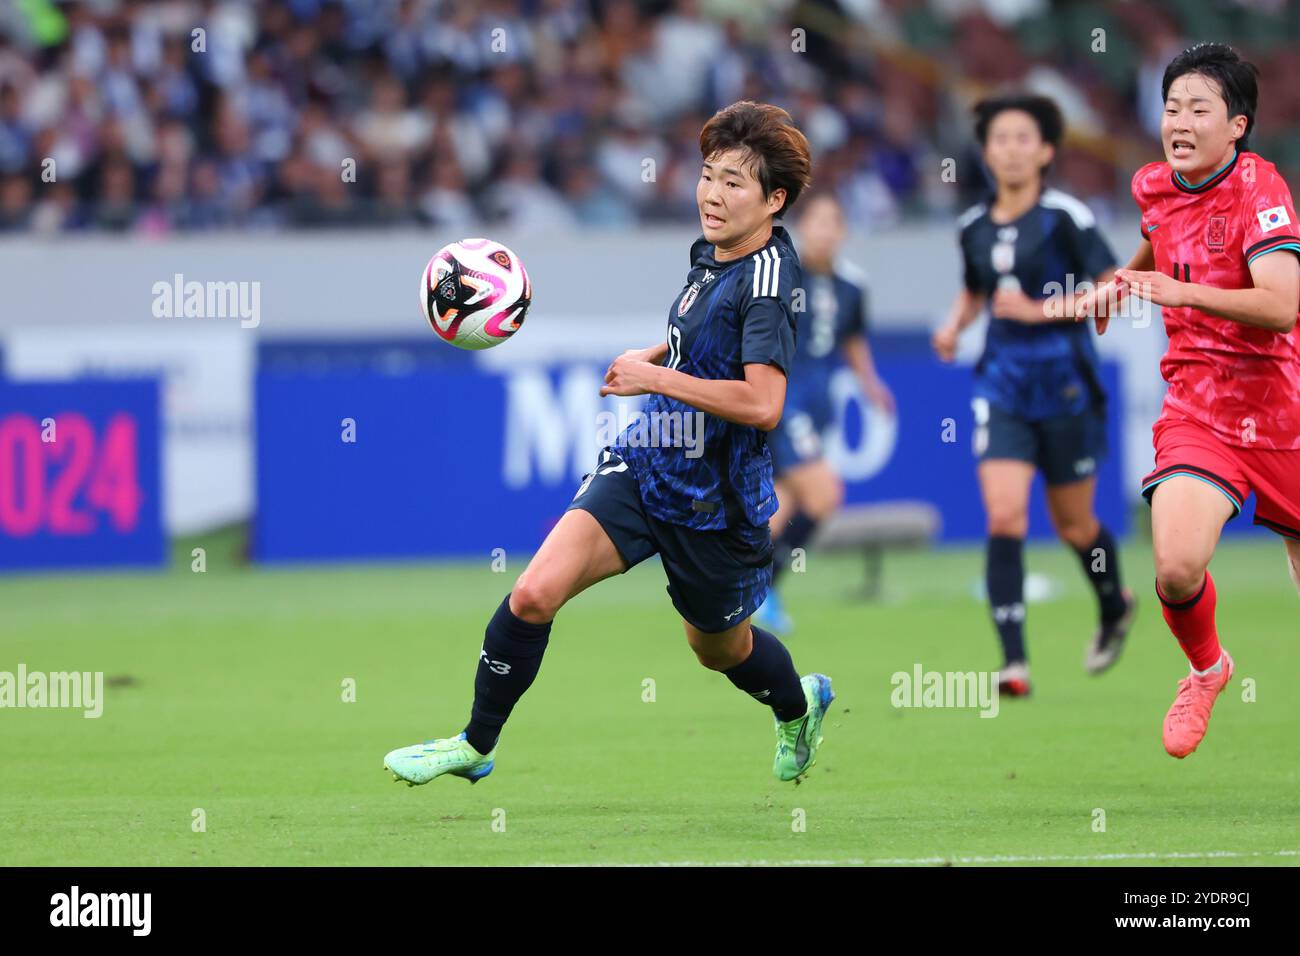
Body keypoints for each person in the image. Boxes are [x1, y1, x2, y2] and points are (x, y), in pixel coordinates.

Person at [384, 101, 835, 786]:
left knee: (718, 649)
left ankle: (799, 706)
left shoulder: (770, 282)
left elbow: (763, 403)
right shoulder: (712, 248)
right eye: (708, 174)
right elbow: (704, 336)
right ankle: (475, 746)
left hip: (715, 504)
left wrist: (653, 374)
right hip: (649, 460)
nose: (712, 194)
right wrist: (659, 353)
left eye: (734, 183)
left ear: (774, 199)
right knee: (535, 593)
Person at [1078, 43, 1300, 757]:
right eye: (1171, 107)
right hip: (1199, 410)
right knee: (1174, 564)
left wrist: (1179, 292)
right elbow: (1159, 236)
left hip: (1283, 412)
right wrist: (1121, 281)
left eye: (1198, 109)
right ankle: (1207, 669)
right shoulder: (1154, 185)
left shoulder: (1261, 191)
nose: (1179, 120)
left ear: (1236, 126)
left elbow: (1282, 306)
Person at [932, 93, 1136, 697]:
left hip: (1066, 382)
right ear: (986, 151)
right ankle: (1014, 661)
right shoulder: (971, 228)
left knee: (1076, 527)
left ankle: (1114, 605)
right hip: (1001, 385)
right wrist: (953, 325)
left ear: (1046, 150)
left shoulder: (1065, 217)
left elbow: (1115, 291)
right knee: (1004, 515)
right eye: (1001, 139)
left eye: (1025, 138)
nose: (1012, 149)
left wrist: (1042, 308)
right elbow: (976, 292)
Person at [756, 192, 894, 633]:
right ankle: (764, 589)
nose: (824, 231)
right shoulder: (783, 275)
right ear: (803, 227)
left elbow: (852, 339)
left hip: (818, 405)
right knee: (825, 494)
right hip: (784, 401)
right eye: (816, 222)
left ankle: (750, 592)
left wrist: (871, 385)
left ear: (843, 231)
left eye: (832, 223)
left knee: (784, 506)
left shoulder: (852, 286)